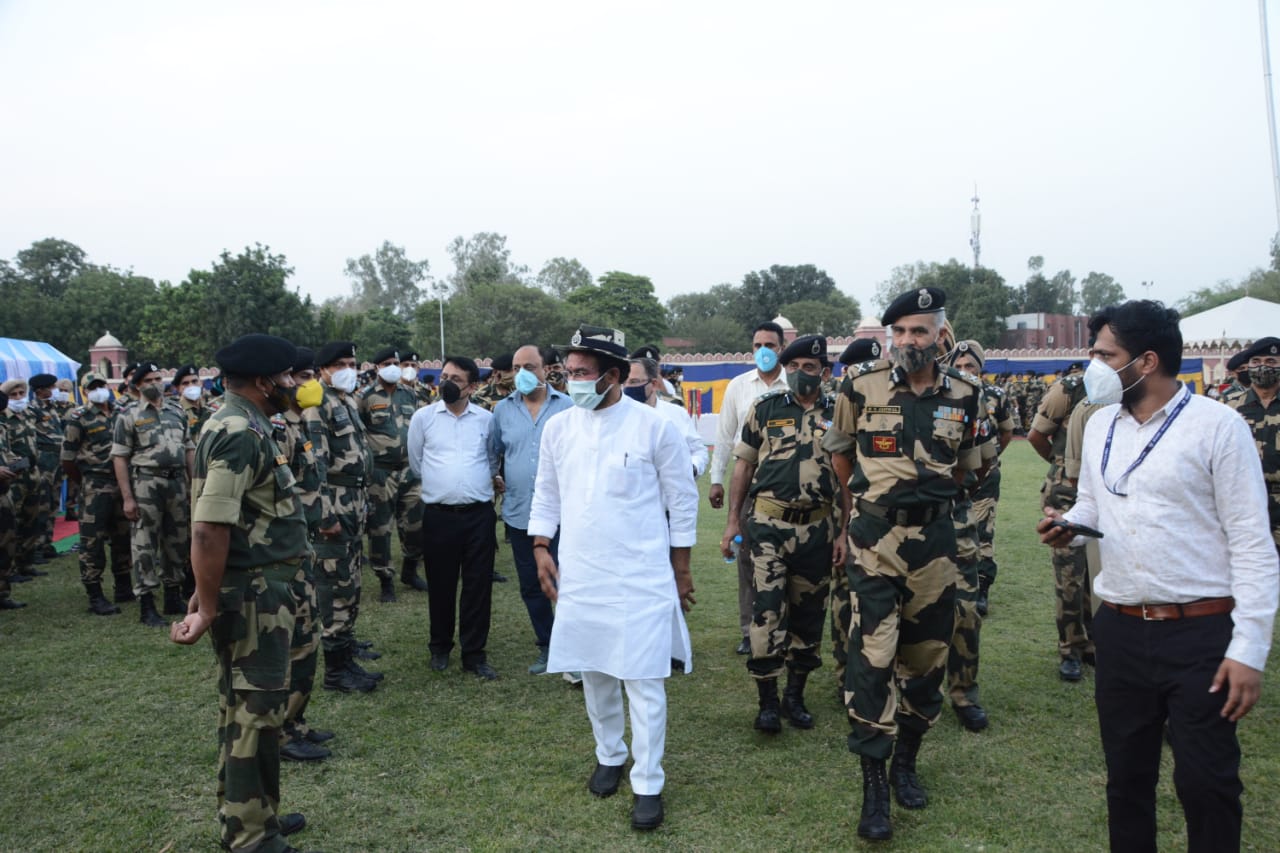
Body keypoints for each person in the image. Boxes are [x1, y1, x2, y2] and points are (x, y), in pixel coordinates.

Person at [1037, 300, 1278, 853]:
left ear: (1146, 361)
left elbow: (1252, 544)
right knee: (1126, 781)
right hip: (1120, 629)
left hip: (1199, 634)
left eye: (1105, 355)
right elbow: (1094, 504)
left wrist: (1249, 649)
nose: (1093, 366)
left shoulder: (1218, 427)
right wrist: (1070, 527)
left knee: (1207, 784)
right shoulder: (1101, 424)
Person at [822, 287, 982, 841]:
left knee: (926, 658)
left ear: (940, 335)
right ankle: (874, 787)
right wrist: (868, 506)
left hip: (934, 543)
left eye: (919, 330)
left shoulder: (965, 394)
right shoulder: (859, 386)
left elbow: (966, 466)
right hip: (874, 541)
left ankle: (906, 762)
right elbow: (841, 454)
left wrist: (927, 498)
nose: (909, 340)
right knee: (872, 656)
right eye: (900, 331)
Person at [527, 324, 698, 832]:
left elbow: (681, 501)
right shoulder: (559, 428)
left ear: (615, 376)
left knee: (644, 682)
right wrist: (540, 547)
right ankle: (609, 754)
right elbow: (546, 493)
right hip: (582, 573)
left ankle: (648, 782)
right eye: (569, 372)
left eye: (582, 373)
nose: (572, 381)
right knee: (595, 671)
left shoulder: (654, 427)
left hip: (641, 576)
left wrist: (681, 570)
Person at [169, 333, 313, 853]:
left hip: (263, 586)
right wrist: (208, 604)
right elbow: (209, 527)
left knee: (252, 711)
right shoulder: (238, 432)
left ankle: (253, 817)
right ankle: (250, 837)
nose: (295, 384)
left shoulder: (244, 423)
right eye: (288, 376)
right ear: (263, 381)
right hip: (255, 594)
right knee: (254, 713)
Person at [720, 335, 845, 734]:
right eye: (792, 367)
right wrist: (733, 521)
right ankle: (768, 701)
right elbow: (743, 466)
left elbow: (848, 476)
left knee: (809, 616)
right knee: (767, 612)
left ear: (824, 373)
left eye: (808, 368)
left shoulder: (840, 411)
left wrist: (843, 531)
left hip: (818, 529)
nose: (799, 373)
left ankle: (795, 695)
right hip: (768, 528)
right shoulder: (765, 407)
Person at [407, 355, 500, 680]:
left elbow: (492, 460)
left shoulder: (486, 420)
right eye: (444, 376)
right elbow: (416, 462)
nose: (447, 383)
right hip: (439, 516)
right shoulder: (423, 418)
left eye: (456, 379)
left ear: (472, 387)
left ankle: (474, 654)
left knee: (478, 587)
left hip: (479, 516)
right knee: (441, 584)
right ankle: (440, 647)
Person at [488, 344, 572, 675]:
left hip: (564, 514)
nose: (522, 373)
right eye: (516, 367)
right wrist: (496, 477)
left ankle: (573, 646)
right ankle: (548, 644)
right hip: (520, 512)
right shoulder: (502, 411)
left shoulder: (568, 407)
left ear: (545, 370)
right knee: (531, 584)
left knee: (568, 581)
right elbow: (494, 452)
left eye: (530, 366)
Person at [709, 321, 789, 655]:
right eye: (758, 346)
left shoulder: (793, 383)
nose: (763, 351)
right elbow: (724, 436)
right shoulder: (739, 386)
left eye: (769, 345)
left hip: (786, 481)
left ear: (781, 348)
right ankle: (749, 629)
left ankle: (783, 627)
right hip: (747, 482)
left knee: (786, 555)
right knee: (746, 557)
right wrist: (716, 479)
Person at [304, 341, 379, 693]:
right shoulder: (317, 403)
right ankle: (336, 670)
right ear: (323, 369)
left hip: (353, 500)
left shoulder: (345, 400)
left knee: (350, 579)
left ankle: (346, 650)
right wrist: (324, 514)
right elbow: (314, 466)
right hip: (334, 502)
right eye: (340, 364)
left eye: (352, 363)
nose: (349, 369)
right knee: (335, 582)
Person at [275, 346, 335, 762]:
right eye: (301, 377)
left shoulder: (298, 424)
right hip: (284, 550)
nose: (308, 383)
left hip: (303, 545)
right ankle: (281, 731)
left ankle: (295, 722)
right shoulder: (277, 428)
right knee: (292, 643)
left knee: (307, 640)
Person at [111, 361, 195, 625]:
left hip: (177, 482)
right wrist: (127, 497)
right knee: (144, 543)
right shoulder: (129, 415)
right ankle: (146, 602)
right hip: (147, 482)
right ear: (137, 385)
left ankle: (173, 594)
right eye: (148, 380)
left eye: (158, 378)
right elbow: (120, 457)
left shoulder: (176, 411)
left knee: (178, 539)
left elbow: (189, 448)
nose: (154, 384)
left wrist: (194, 484)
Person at [1028, 361, 1094, 681]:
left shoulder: (1131, 389)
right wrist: (1062, 467)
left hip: (1110, 494)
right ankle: (1070, 649)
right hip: (1067, 495)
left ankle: (1094, 642)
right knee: (1070, 575)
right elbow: (1036, 436)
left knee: (1098, 575)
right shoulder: (1069, 389)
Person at [829, 338, 882, 697]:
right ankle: (845, 673)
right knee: (844, 597)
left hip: (880, 516)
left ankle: (874, 674)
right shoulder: (840, 401)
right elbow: (838, 459)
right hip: (843, 509)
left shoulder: (892, 401)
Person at [358, 347, 427, 602]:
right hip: (380, 472)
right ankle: (385, 579)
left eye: (396, 363)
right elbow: (358, 432)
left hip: (410, 470)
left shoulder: (409, 394)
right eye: (387, 363)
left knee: (417, 524)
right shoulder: (365, 397)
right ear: (376, 367)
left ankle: (410, 570)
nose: (393, 367)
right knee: (380, 529)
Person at [61, 372, 132, 614]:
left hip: (122, 484)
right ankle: (95, 595)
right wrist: (85, 481)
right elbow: (67, 459)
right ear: (84, 392)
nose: (99, 389)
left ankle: (124, 586)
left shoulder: (121, 413)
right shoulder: (79, 417)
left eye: (102, 385)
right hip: (95, 485)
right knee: (93, 542)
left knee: (123, 537)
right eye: (93, 387)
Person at [1226, 336, 1280, 547]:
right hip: (1244, 505)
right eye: (1256, 361)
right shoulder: (1228, 407)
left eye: (1271, 361)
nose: (1263, 367)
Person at [625, 357, 707, 478]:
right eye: (624, 382)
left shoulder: (676, 413)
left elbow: (698, 451)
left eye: (634, 382)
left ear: (653, 384)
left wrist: (692, 468)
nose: (627, 387)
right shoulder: (617, 417)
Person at [1, 378, 44, 585]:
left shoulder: (28, 415)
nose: (18, 398)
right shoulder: (4, 419)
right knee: (13, 523)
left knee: (31, 519)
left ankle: (26, 563)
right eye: (13, 395)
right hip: (13, 477)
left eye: (21, 393)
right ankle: (11, 569)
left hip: (32, 473)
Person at [173, 364, 212, 441]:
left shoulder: (211, 408)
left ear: (201, 383)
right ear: (178, 388)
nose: (191, 386)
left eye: (194, 381)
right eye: (185, 383)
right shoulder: (176, 412)